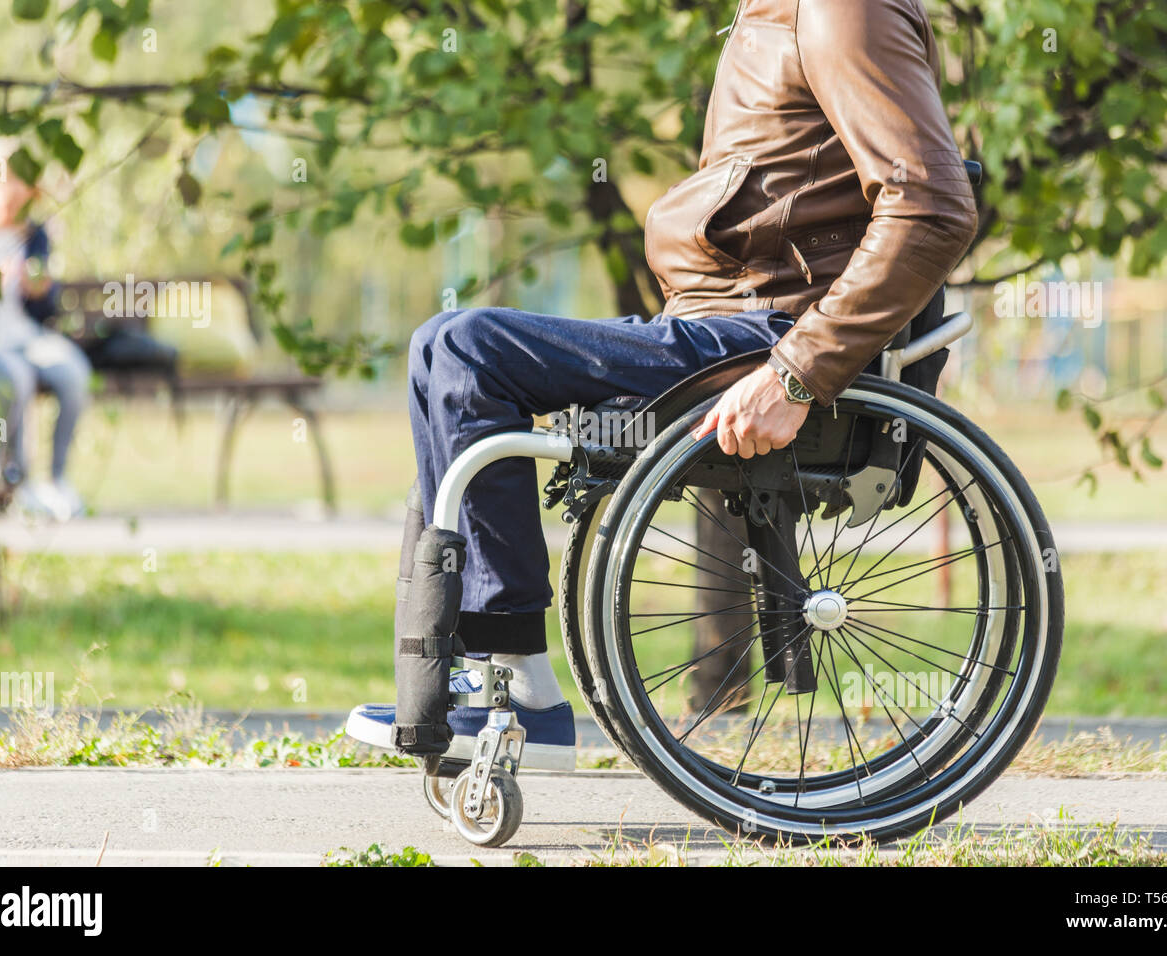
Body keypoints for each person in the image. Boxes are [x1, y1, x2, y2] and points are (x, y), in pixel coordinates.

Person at [346, 0, 979, 768]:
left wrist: (797, 375)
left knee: (463, 348)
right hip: (724, 322)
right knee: (442, 359)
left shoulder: (843, 9)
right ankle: (485, 678)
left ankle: (513, 689)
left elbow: (932, 207)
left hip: (766, 335)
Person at [0, 139, 90, 520]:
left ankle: (59, 480)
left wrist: (41, 289)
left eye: (21, 187)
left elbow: (46, 307)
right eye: (5, 186)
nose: (14, 197)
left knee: (74, 373)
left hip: (26, 335)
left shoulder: (36, 235)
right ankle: (11, 478)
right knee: (15, 378)